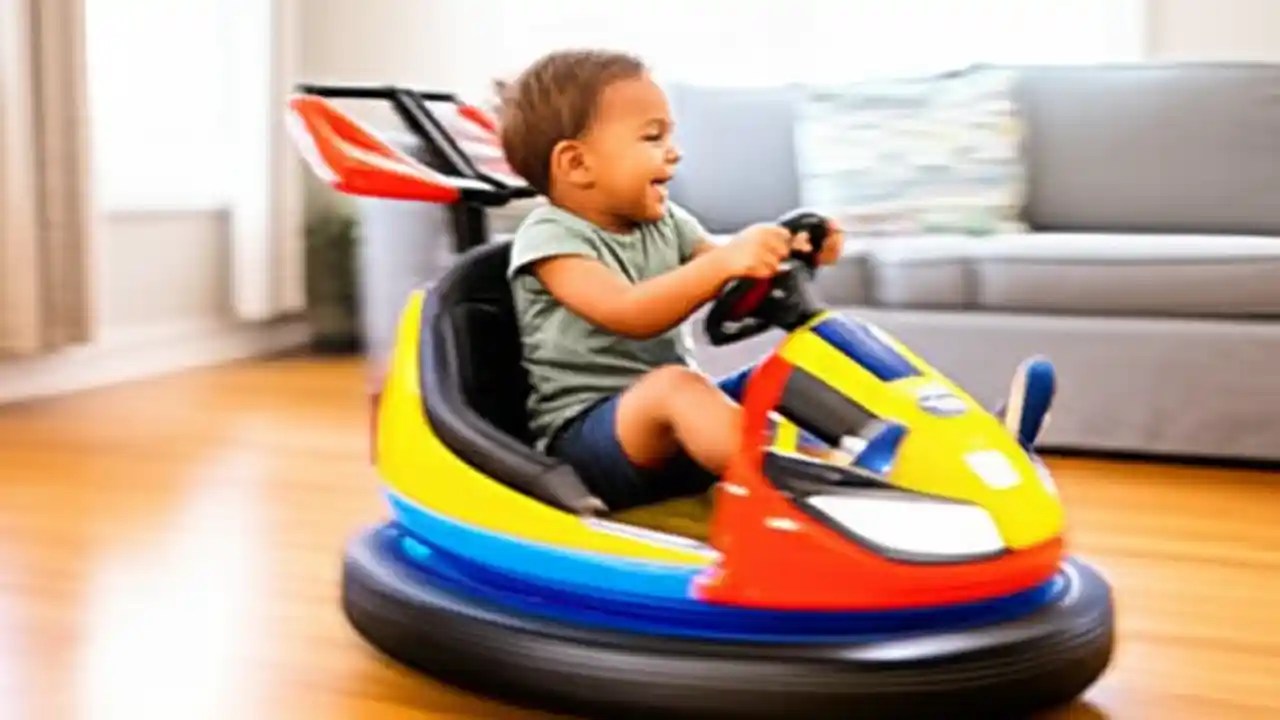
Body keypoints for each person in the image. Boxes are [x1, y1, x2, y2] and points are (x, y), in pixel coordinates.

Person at [500, 49, 845, 512]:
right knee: (676, 387)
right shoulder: (550, 238)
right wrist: (723, 264)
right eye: (652, 137)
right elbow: (629, 312)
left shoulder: (667, 222)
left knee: (781, 375)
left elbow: (730, 274)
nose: (674, 151)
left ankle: (870, 463)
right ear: (577, 164)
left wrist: (792, 250)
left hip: (671, 428)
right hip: (590, 442)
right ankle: (804, 496)